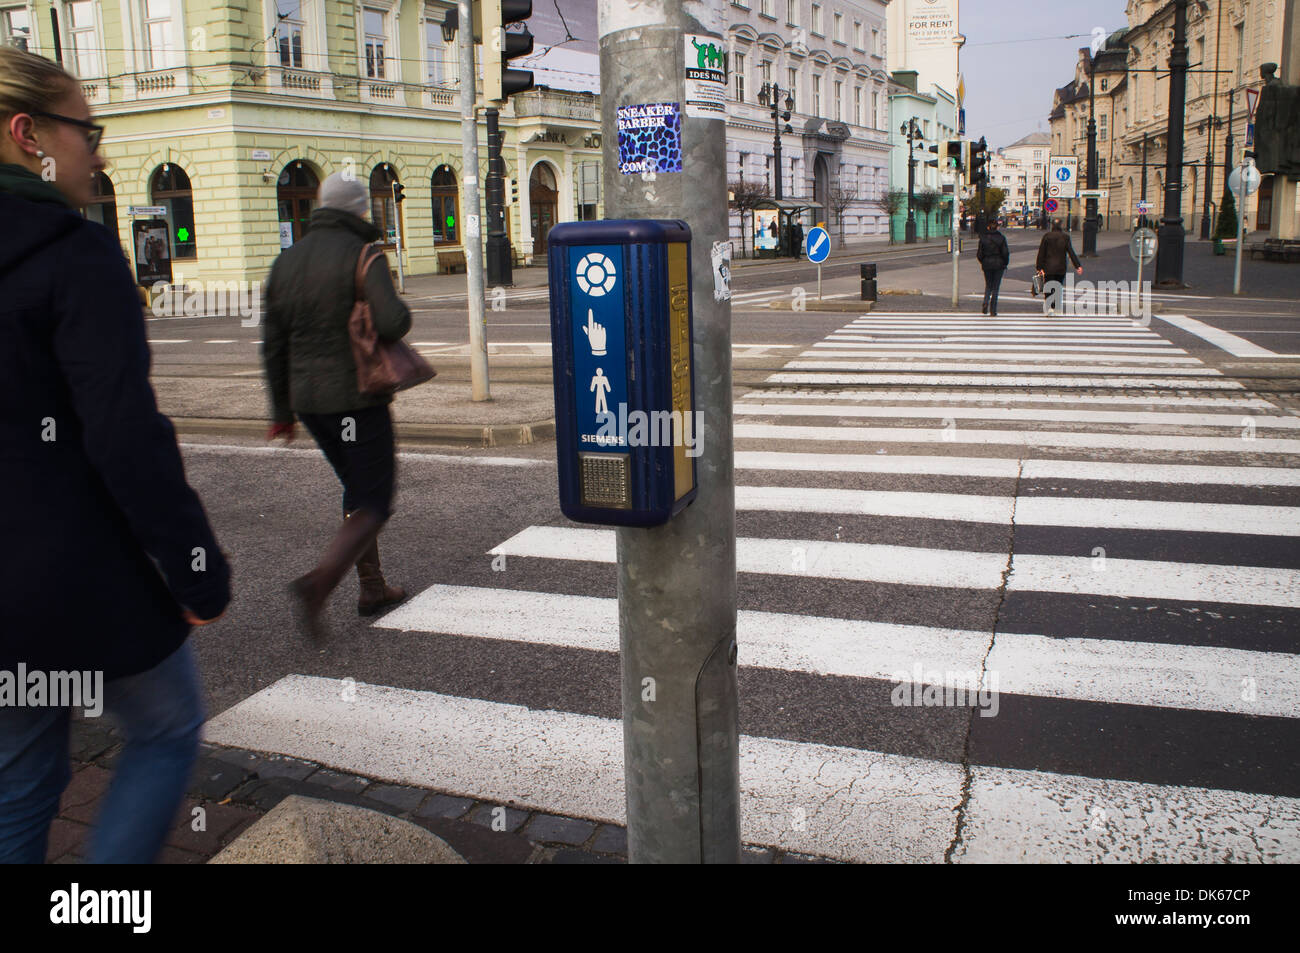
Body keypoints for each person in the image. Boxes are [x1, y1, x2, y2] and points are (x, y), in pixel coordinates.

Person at [0, 46, 231, 864]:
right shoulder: (74, 252)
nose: (98, 151)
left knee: (21, 778)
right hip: (61, 579)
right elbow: (124, 433)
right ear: (29, 134)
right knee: (167, 728)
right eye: (87, 130)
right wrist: (196, 568)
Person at [262, 171, 412, 641]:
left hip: (309, 404)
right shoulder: (365, 254)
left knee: (355, 485)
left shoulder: (286, 261)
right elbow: (393, 322)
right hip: (356, 399)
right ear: (360, 210)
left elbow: (272, 343)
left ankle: (372, 586)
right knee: (374, 498)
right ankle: (320, 582)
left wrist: (281, 411)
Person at [1035, 218, 1083, 315]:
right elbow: (1071, 252)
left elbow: (1041, 253)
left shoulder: (1047, 236)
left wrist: (1039, 267)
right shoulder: (1065, 237)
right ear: (1061, 225)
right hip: (1060, 267)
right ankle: (1056, 307)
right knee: (1057, 286)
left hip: (1048, 267)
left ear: (1052, 225)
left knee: (1048, 287)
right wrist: (1077, 265)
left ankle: (1049, 307)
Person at [976, 218, 1010, 316]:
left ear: (988, 227)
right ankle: (993, 310)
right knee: (996, 287)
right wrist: (1005, 263)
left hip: (987, 263)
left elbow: (979, 254)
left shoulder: (983, 238)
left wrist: (983, 261)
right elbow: (1005, 253)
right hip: (999, 264)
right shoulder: (1001, 238)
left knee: (988, 285)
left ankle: (985, 302)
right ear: (997, 227)